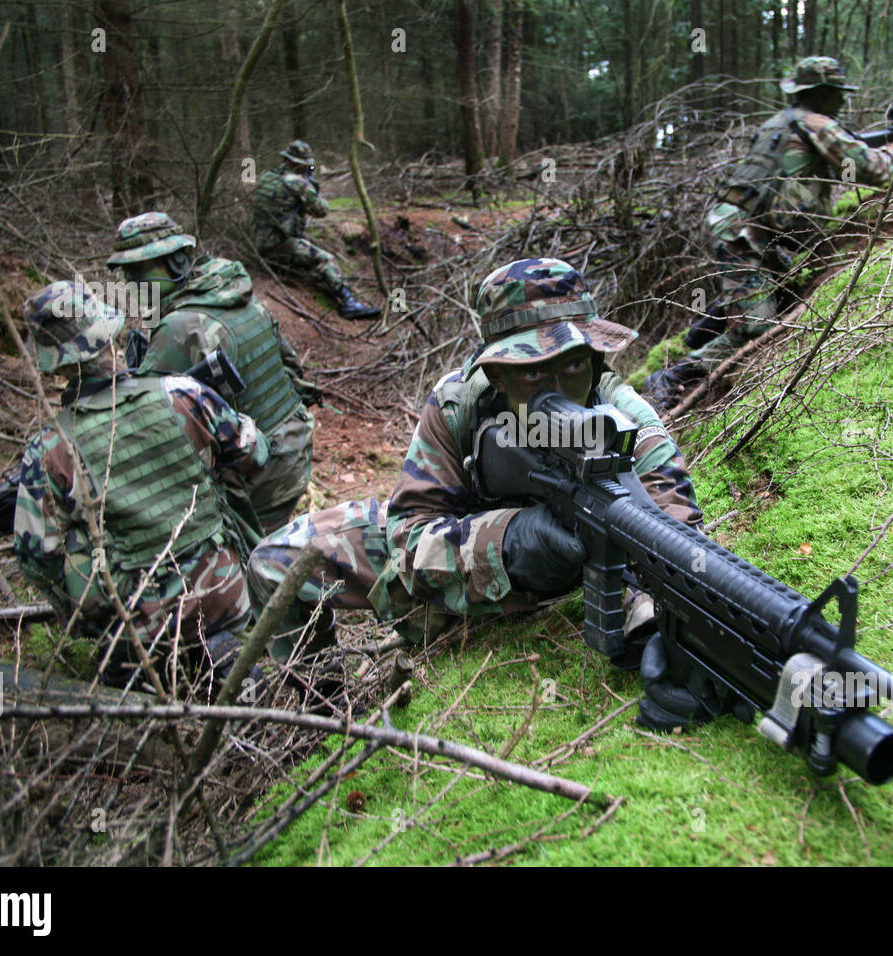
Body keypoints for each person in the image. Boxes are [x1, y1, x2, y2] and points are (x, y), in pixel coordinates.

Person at [246, 259, 709, 727]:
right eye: (530, 373)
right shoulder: (457, 406)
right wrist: (511, 542)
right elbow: (408, 540)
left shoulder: (623, 417)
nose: (557, 392)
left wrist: (673, 629)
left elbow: (679, 538)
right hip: (476, 565)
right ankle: (326, 718)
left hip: (561, 580)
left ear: (596, 358)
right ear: (498, 374)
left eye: (573, 365)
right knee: (275, 560)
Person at [12, 280, 270, 691]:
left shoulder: (50, 449)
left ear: (54, 364)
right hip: (228, 595)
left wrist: (80, 613)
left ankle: (130, 658)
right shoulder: (183, 393)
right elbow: (255, 456)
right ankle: (211, 648)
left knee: (76, 538)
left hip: (140, 621)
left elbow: (35, 558)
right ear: (109, 335)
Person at [644, 56, 893, 411]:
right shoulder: (816, 124)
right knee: (757, 327)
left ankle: (708, 324)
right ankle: (674, 375)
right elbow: (868, 168)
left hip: (753, 232)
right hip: (744, 235)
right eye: (837, 93)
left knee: (783, 291)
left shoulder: (779, 123)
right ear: (822, 93)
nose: (842, 101)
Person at [106, 211, 316, 534]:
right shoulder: (238, 297)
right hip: (294, 450)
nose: (132, 284)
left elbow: (142, 428)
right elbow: (293, 372)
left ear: (176, 263)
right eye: (126, 273)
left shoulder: (181, 327)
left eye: (139, 270)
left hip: (259, 475)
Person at [252, 139, 380, 320]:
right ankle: (348, 303)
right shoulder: (298, 183)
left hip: (259, 240)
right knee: (326, 259)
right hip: (278, 244)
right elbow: (321, 210)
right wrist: (311, 187)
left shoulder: (267, 177)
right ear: (299, 164)